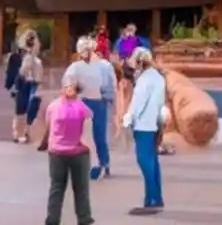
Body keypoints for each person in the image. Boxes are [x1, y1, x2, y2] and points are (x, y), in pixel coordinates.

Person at [39, 73, 95, 225]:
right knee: (81, 188)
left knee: (57, 187)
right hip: (79, 152)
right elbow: (89, 130)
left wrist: (45, 143)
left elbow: (48, 126)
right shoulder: (83, 108)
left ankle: (52, 219)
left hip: (57, 152)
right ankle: (83, 217)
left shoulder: (53, 106)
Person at [62, 37, 114, 181]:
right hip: (82, 102)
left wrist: (108, 97)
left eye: (88, 50)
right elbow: (68, 83)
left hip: (99, 102)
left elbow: (110, 84)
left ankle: (104, 162)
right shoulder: (75, 67)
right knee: (82, 136)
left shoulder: (103, 66)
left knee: (99, 135)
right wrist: (72, 92)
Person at [123, 47, 165, 215]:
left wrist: (128, 118)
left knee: (144, 160)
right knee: (152, 161)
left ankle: (153, 198)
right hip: (155, 122)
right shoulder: (158, 77)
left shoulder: (145, 80)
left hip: (143, 124)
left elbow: (138, 103)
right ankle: (154, 197)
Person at [11, 30, 44, 143]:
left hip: (33, 83)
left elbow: (39, 75)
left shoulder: (37, 61)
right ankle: (17, 132)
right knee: (20, 109)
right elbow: (19, 73)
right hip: (24, 83)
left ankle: (26, 131)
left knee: (31, 108)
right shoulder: (20, 58)